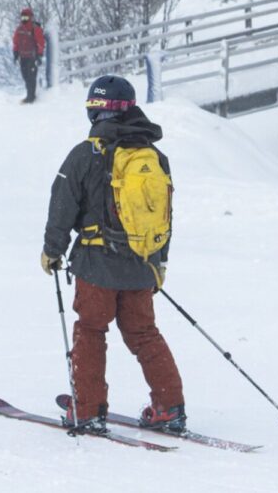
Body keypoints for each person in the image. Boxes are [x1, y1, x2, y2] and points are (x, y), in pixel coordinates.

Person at [40, 74, 184, 436]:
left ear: (94, 110)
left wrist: (52, 251)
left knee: (90, 331)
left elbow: (62, 206)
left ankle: (87, 410)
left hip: (96, 266)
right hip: (140, 263)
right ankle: (169, 408)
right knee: (144, 334)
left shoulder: (86, 154)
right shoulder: (154, 156)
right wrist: (159, 261)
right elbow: (163, 214)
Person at [12, 7, 46, 104]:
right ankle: (30, 95)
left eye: (26, 17)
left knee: (31, 77)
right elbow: (16, 42)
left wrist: (39, 55)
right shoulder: (19, 29)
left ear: (31, 17)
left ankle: (30, 97)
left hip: (32, 57)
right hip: (23, 57)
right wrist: (15, 53)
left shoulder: (35, 29)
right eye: (23, 17)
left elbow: (40, 42)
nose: (24, 19)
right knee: (25, 77)